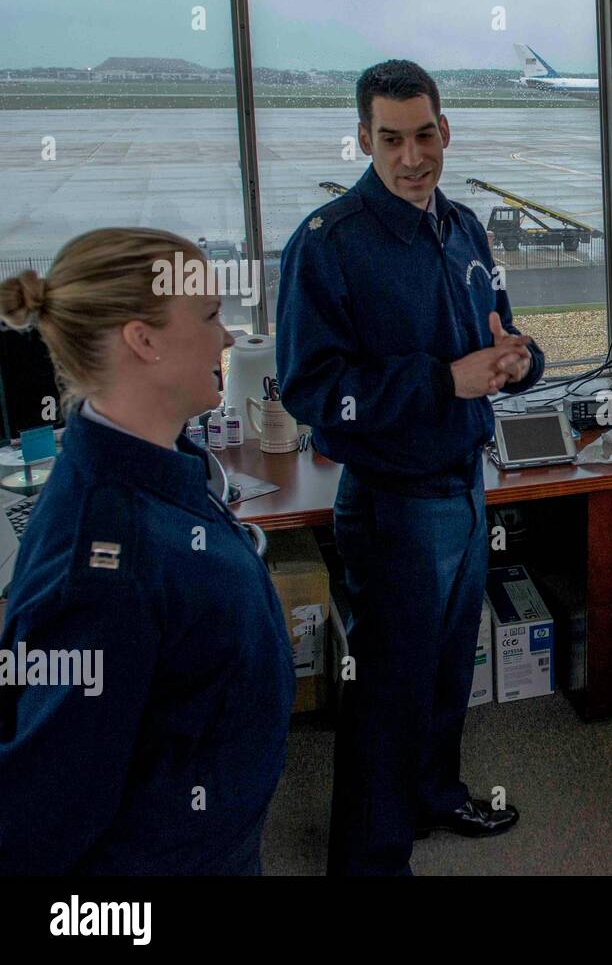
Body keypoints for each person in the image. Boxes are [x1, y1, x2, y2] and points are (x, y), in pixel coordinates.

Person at [276, 60, 543, 876]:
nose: (411, 155)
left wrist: (518, 361)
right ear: (364, 139)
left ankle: (434, 791)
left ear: (445, 131)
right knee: (387, 692)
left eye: (424, 134)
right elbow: (312, 390)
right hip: (392, 502)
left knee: (445, 667)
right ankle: (370, 858)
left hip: (466, 485)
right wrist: (443, 380)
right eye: (390, 139)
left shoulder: (462, 225)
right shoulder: (328, 245)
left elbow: (497, 338)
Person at [0, 228, 295, 874]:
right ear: (144, 339)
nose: (226, 337)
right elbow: (41, 817)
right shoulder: (103, 565)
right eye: (211, 315)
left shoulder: (159, 465)